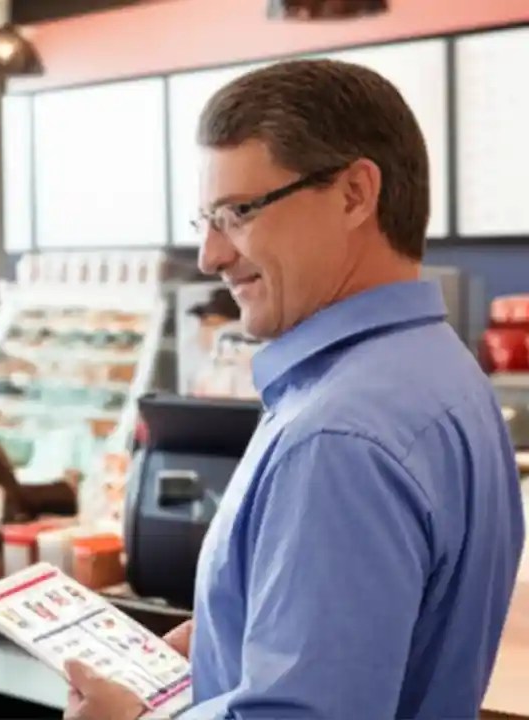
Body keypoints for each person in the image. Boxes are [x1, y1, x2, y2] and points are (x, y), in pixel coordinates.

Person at [66, 59, 524, 720]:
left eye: (239, 212)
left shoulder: (338, 435)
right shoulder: (444, 376)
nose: (211, 255)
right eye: (207, 220)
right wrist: (241, 639)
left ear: (354, 194)